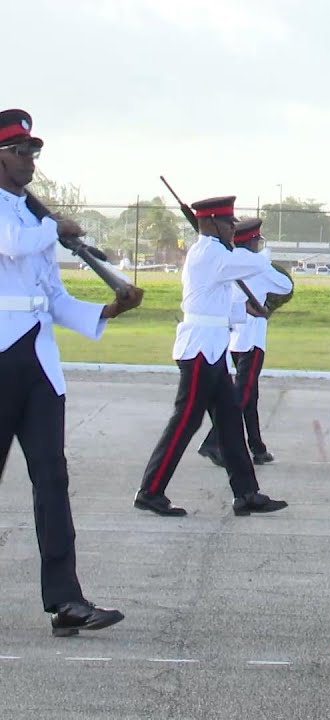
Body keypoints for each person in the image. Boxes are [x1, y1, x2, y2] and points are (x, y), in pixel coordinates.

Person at [0, 108, 143, 635]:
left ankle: (66, 600)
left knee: (52, 480)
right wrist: (55, 227)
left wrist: (108, 309)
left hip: (37, 361)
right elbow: (13, 244)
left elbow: (52, 298)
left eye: (33, 151)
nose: (29, 160)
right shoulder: (27, 223)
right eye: (20, 152)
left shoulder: (32, 218)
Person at [134, 195, 289, 518]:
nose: (233, 229)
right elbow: (258, 264)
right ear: (209, 223)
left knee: (231, 422)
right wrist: (261, 251)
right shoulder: (210, 253)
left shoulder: (214, 253)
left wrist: (241, 308)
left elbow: (210, 303)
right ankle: (150, 490)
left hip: (213, 347)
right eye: (228, 224)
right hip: (200, 348)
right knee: (186, 421)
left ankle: (246, 493)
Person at [195, 219, 293, 466]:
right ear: (252, 242)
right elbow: (285, 286)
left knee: (249, 395)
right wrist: (265, 263)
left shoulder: (226, 260)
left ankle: (257, 447)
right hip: (251, 340)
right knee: (242, 395)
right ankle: (213, 441)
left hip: (230, 337)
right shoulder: (255, 266)